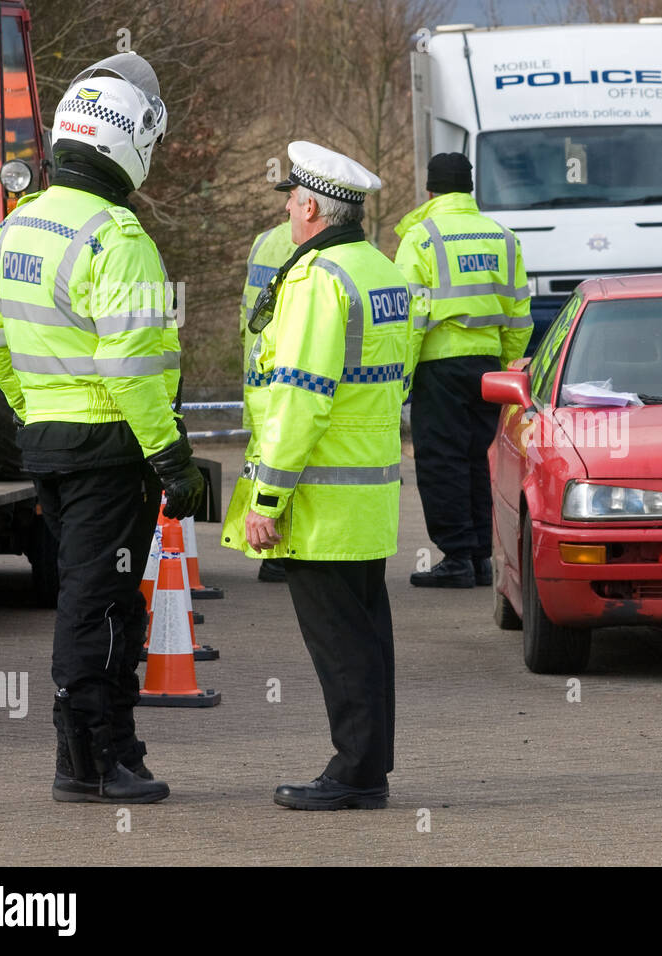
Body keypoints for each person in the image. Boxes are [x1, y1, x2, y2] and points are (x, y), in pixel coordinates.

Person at [0, 53, 204, 804]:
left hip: (50, 441)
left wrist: (32, 409)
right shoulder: (119, 237)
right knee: (102, 604)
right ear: (127, 142)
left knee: (90, 596)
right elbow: (134, 368)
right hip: (111, 449)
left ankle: (109, 751)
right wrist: (171, 458)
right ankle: (92, 760)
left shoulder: (21, 225)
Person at [222, 141, 409, 810]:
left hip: (322, 499)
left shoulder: (316, 280)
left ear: (307, 207)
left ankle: (355, 773)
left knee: (340, 643)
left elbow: (299, 399)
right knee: (368, 635)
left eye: (293, 204)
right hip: (369, 492)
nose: (290, 215)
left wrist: (267, 498)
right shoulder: (379, 271)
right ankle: (368, 766)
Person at [395, 152, 531, 589]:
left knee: (442, 461)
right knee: (482, 459)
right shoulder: (503, 237)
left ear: (430, 191)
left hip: (438, 367)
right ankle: (480, 556)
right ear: (470, 189)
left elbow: (410, 316)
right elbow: (519, 313)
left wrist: (402, 375)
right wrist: (504, 363)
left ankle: (457, 557)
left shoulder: (422, 237)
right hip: (490, 369)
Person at [237, 219, 295, 583]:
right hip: (285, 362)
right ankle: (277, 555)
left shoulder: (263, 239)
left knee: (265, 455)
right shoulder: (310, 244)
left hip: (257, 361)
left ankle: (269, 555)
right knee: (287, 458)